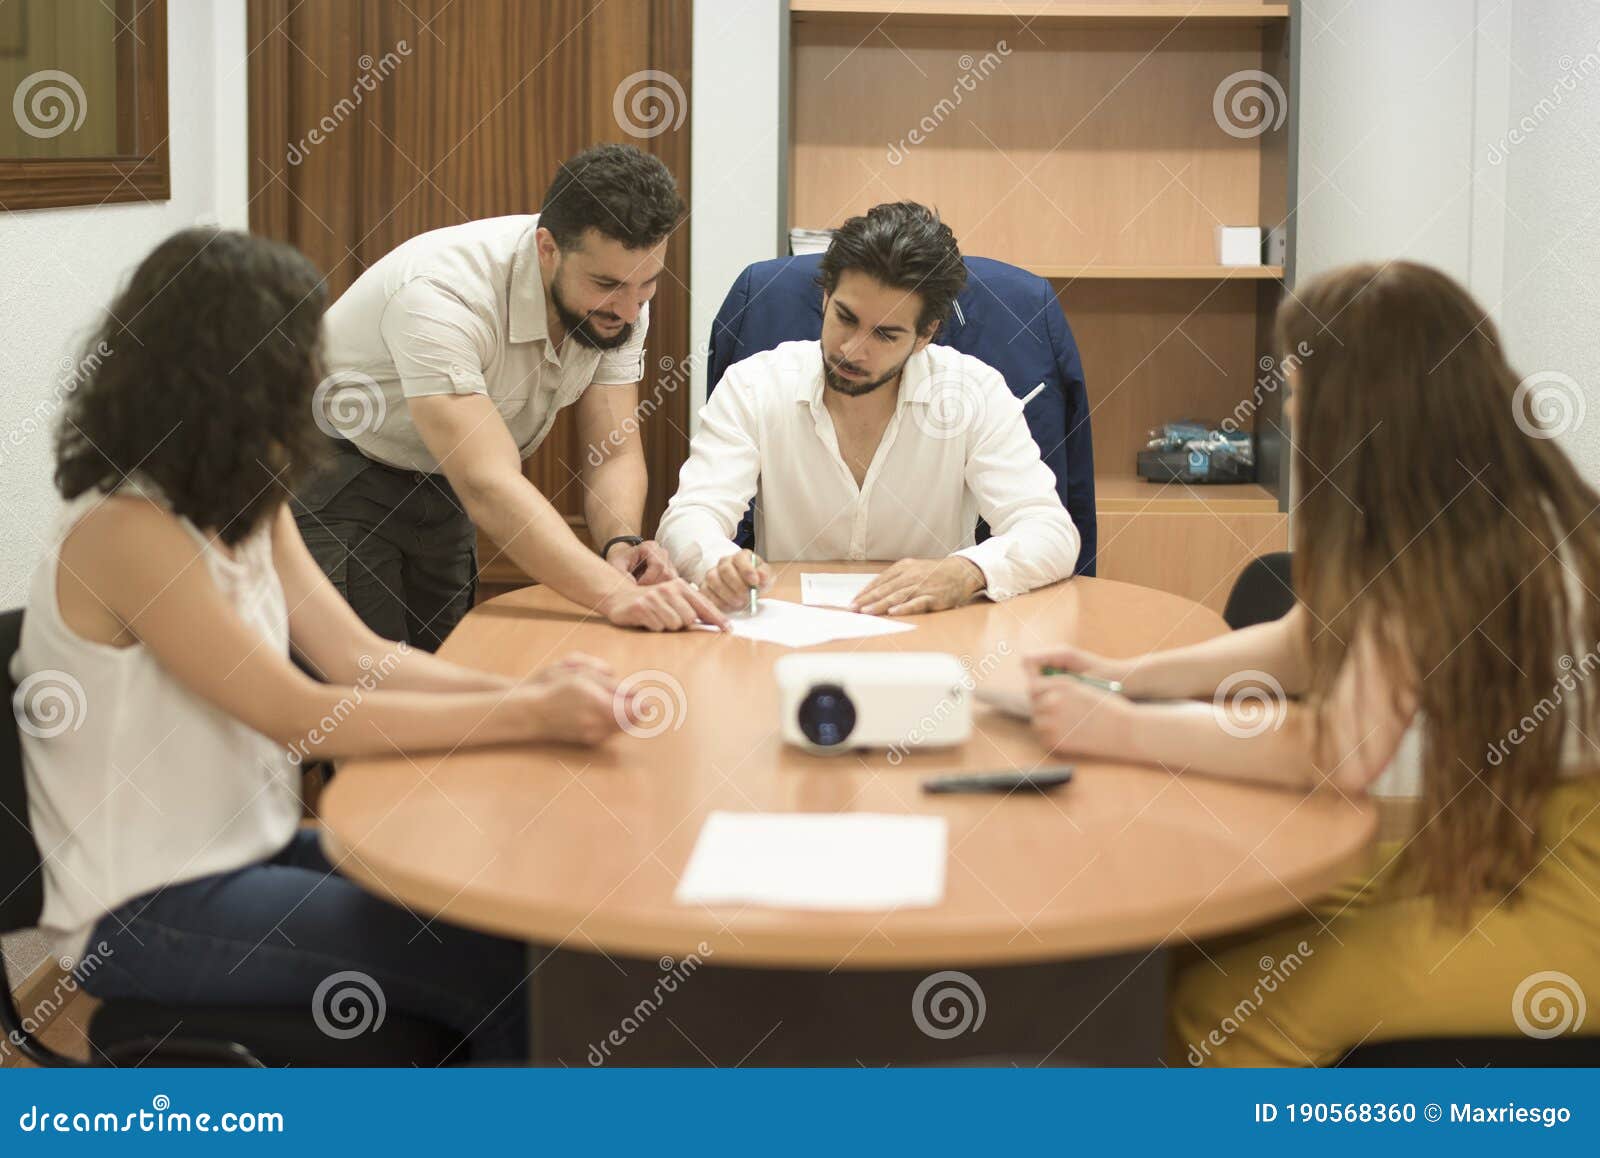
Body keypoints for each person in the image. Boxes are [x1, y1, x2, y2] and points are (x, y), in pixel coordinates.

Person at [12, 228, 650, 1063]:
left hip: (250, 851)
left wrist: (535, 686)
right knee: (494, 971)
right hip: (144, 910)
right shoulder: (125, 529)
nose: (313, 382)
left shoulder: (244, 493)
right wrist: (528, 711)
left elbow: (357, 657)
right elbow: (296, 713)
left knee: (517, 925)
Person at [1024, 260, 1600, 1066]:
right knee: (1189, 951)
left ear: (1363, 409)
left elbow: (1343, 752)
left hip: (1571, 884)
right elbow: (1310, 639)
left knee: (1225, 1019)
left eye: (1299, 389)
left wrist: (1119, 729)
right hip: (1506, 836)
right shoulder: (1459, 506)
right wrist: (1130, 679)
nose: (1289, 410)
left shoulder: (1476, 546)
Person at [294, 142, 727, 650]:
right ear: (547, 249)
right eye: (608, 285)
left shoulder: (621, 300)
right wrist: (613, 595)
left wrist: (622, 547)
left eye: (647, 286)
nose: (630, 312)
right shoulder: (440, 293)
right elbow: (488, 481)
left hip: (441, 482)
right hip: (335, 472)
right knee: (363, 693)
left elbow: (612, 449)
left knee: (447, 664)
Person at [656, 201, 1079, 615]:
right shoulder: (755, 385)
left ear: (926, 334)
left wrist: (968, 571)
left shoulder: (974, 392)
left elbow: (1051, 532)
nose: (852, 349)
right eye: (845, 317)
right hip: (789, 633)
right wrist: (717, 564)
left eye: (885, 334)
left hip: (931, 638)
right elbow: (689, 517)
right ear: (825, 297)